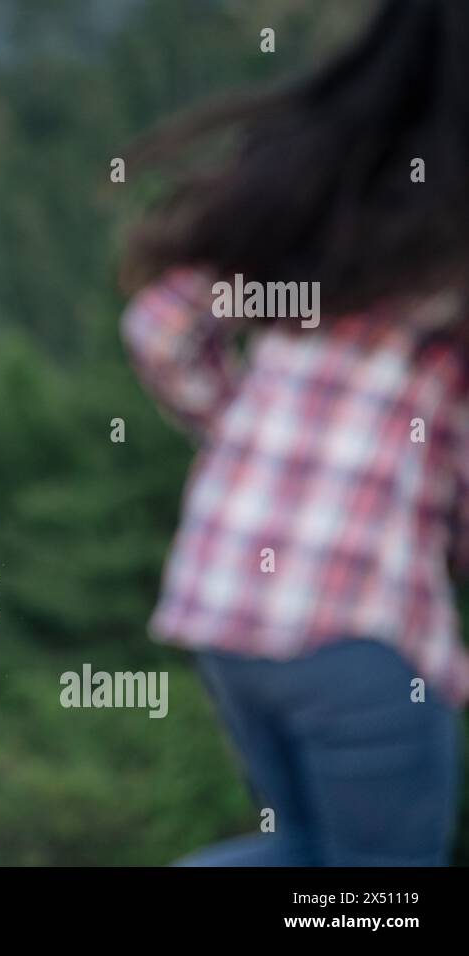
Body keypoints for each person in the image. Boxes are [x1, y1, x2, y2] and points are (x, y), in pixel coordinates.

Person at [119, 0, 469, 865]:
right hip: (354, 623)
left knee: (316, 856)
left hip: (226, 596)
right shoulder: (449, 263)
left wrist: (243, 440)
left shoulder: (319, 211)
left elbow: (163, 325)